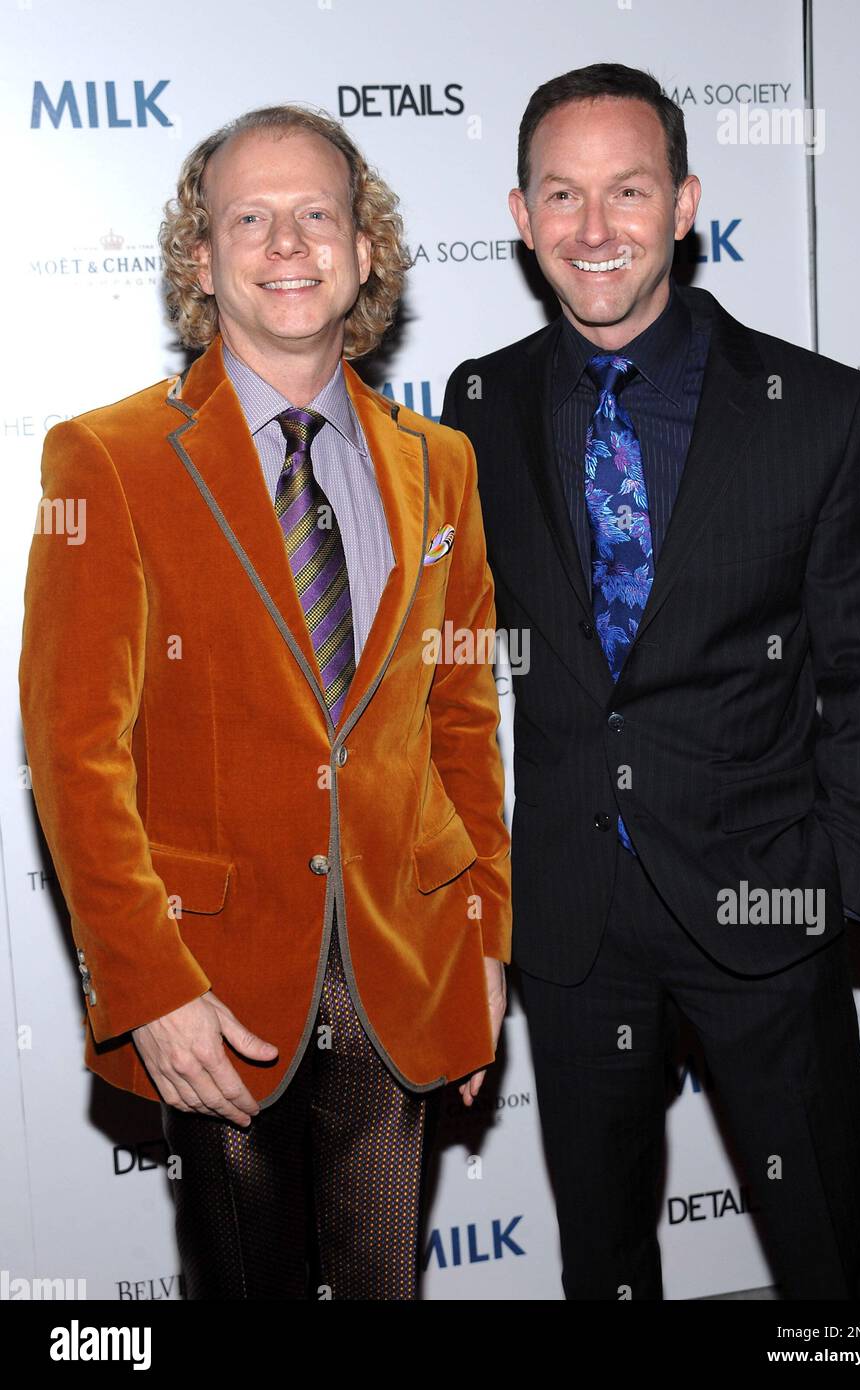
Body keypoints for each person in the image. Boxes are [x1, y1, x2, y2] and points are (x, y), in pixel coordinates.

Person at [442, 63, 860, 1300]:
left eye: (626, 190)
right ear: (519, 215)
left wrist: (840, 879)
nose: (593, 228)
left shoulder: (815, 409)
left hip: (764, 905)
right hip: (569, 920)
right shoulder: (476, 407)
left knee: (834, 1258)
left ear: (684, 205)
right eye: (562, 194)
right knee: (603, 1260)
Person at [20, 104, 510, 1300]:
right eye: (250, 217)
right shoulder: (108, 458)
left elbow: (463, 713)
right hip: (213, 986)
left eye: (316, 215)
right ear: (200, 257)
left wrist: (486, 935)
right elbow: (75, 752)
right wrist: (145, 986)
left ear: (364, 248)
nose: (286, 243)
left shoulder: (439, 462)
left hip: (401, 964)